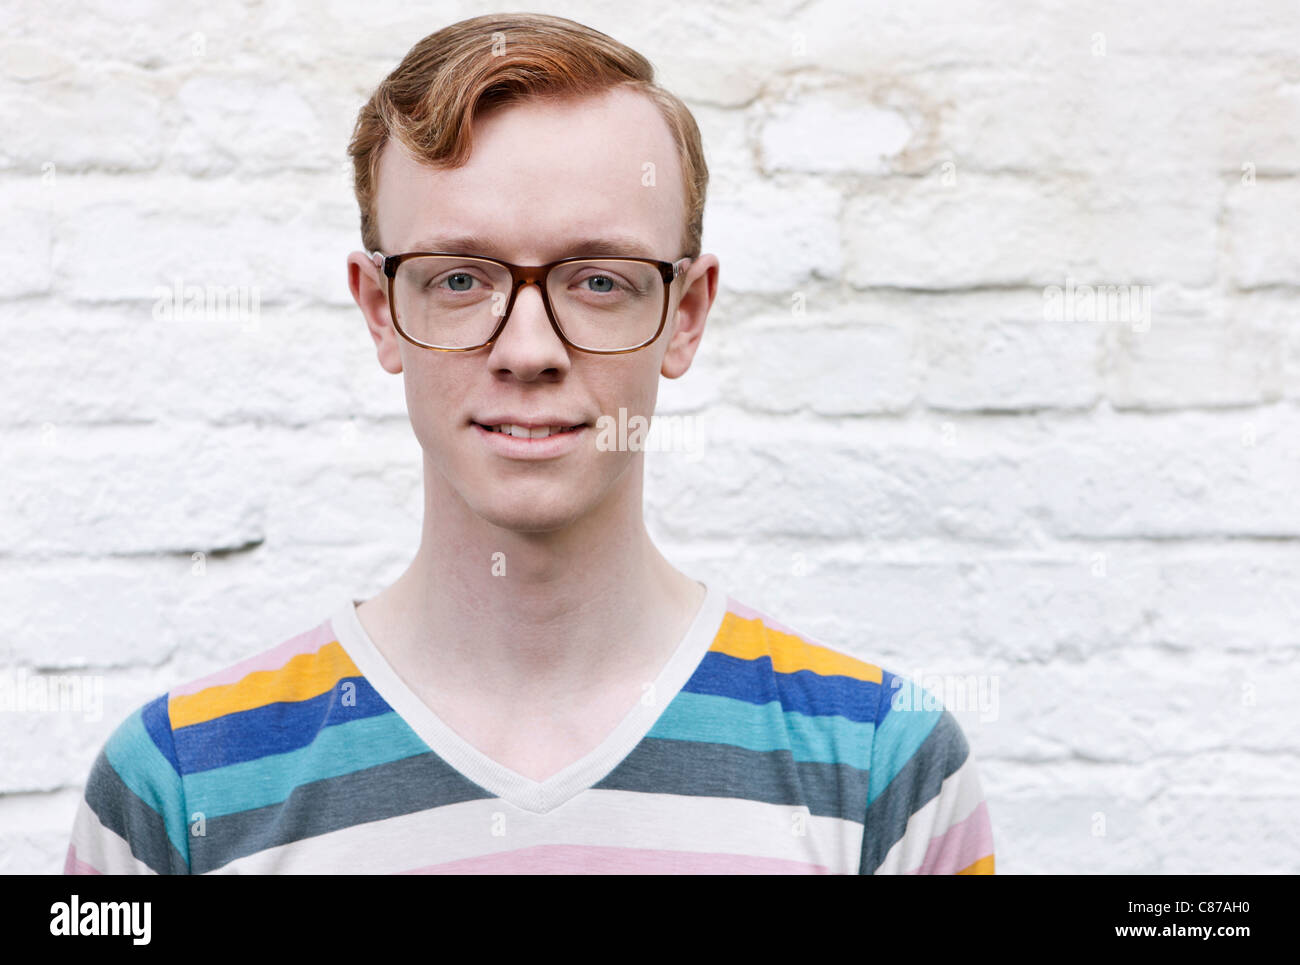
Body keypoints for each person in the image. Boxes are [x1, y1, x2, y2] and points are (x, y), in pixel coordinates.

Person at [63, 12, 995, 875]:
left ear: (686, 314)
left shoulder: (886, 769)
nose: (528, 350)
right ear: (381, 309)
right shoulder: (175, 786)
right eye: (461, 278)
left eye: (598, 281)